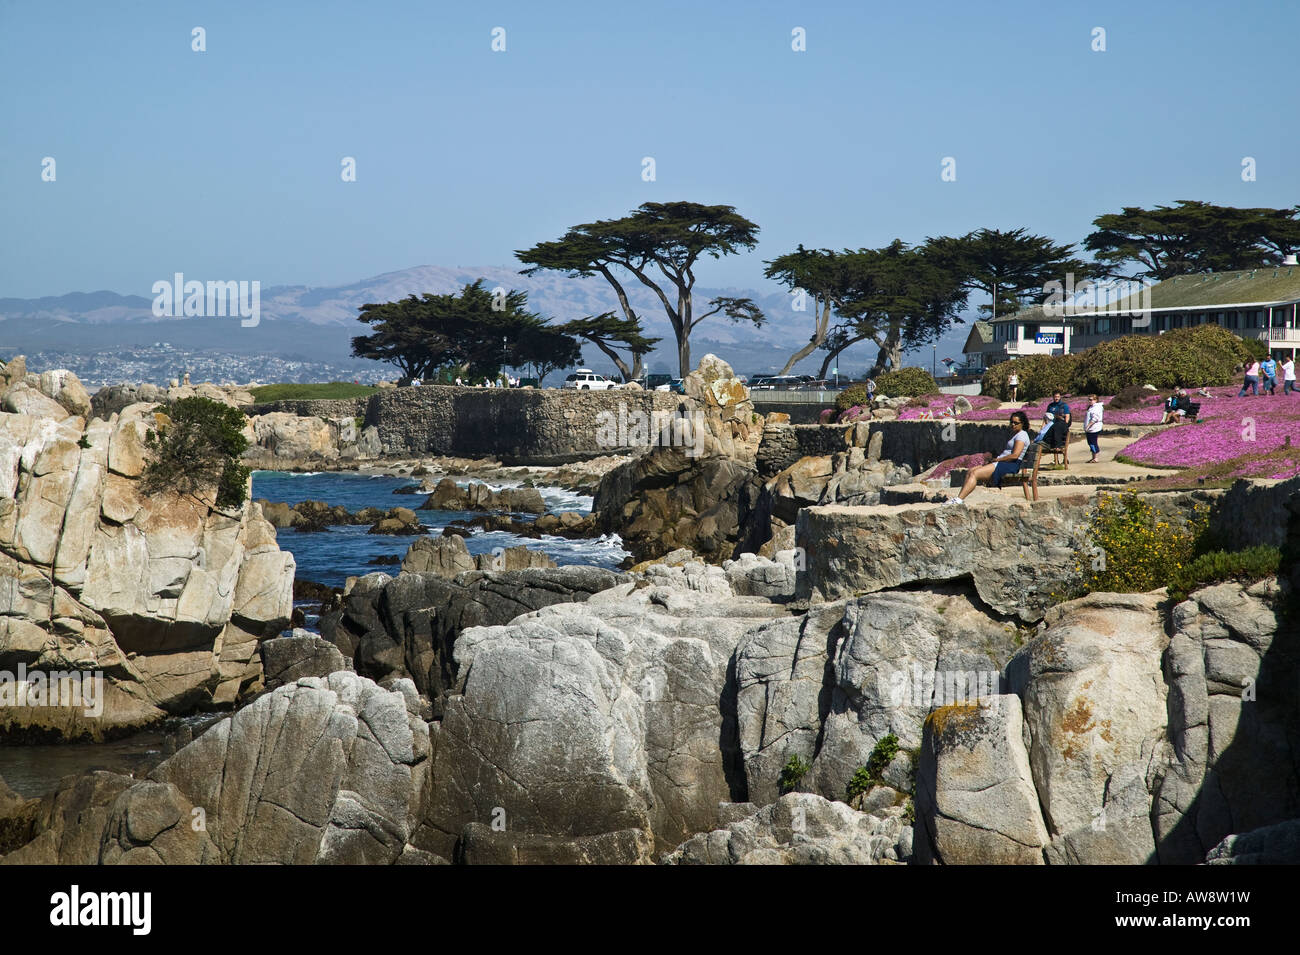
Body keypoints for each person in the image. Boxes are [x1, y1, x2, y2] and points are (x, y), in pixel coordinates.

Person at [945, 411, 1032, 504]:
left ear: (1022, 423)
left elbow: (1015, 455)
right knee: (970, 471)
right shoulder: (1017, 434)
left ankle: (959, 499)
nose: (1012, 424)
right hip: (1003, 462)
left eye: (1016, 423)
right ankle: (959, 498)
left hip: (1009, 465)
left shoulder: (1022, 435)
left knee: (975, 474)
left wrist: (998, 459)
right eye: (1011, 422)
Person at [1084, 394, 1104, 463]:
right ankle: (1093, 457)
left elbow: (1094, 418)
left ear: (1096, 400)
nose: (1090, 401)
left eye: (1091, 400)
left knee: (1093, 443)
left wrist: (1088, 426)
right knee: (1090, 443)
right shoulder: (1091, 407)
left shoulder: (1096, 407)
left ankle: (1096, 458)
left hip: (1094, 428)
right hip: (1090, 429)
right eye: (1089, 399)